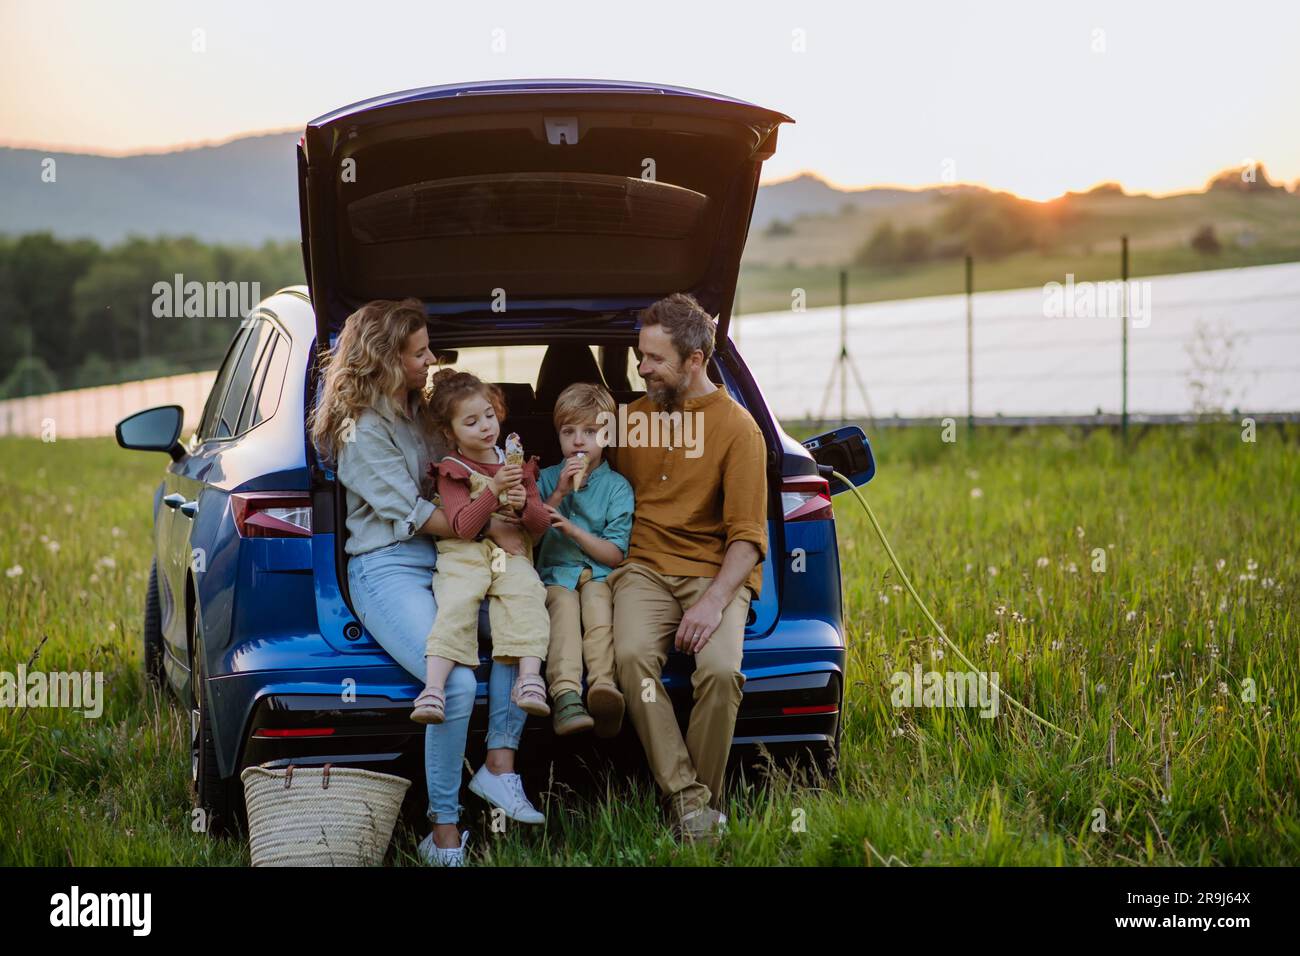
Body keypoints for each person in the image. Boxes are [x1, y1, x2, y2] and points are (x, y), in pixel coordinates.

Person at [311, 298, 543, 868]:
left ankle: (498, 769)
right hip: (389, 565)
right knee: (458, 685)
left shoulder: (423, 411)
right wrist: (495, 524)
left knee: (526, 619)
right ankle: (444, 835)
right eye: (418, 353)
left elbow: (466, 476)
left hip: (455, 555)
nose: (431, 359)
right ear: (387, 359)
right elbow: (425, 513)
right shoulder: (359, 431)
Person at [605, 292, 768, 843]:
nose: (640, 368)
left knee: (721, 673)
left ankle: (696, 811)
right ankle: (691, 801)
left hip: (714, 571)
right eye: (639, 356)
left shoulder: (739, 429)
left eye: (653, 360)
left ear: (694, 360)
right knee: (630, 657)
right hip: (643, 569)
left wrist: (714, 600)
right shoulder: (629, 422)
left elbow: (748, 536)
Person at [417, 367, 554, 726]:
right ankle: (433, 688)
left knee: (527, 593)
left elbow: (541, 526)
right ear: (450, 432)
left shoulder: (517, 466)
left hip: (510, 555)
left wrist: (526, 504)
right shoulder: (452, 469)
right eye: (472, 422)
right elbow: (462, 526)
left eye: (490, 416)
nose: (486, 427)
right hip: (465, 553)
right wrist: (493, 490)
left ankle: (529, 679)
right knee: (457, 599)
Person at [535, 382, 635, 737]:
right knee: (561, 609)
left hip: (598, 574)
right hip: (554, 576)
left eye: (590, 432)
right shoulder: (546, 479)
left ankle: (604, 687)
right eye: (569, 432)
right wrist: (559, 493)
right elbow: (529, 533)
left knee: (597, 609)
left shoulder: (617, 487)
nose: (578, 441)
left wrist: (575, 532)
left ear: (607, 436)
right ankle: (565, 695)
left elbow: (615, 553)